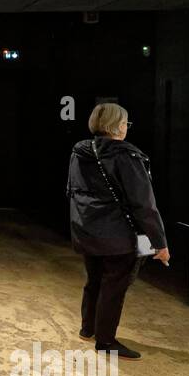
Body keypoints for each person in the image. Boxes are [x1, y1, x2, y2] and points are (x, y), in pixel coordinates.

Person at [67, 103, 170, 360]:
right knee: (114, 287)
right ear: (117, 126)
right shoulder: (126, 156)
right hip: (118, 235)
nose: (126, 128)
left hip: (86, 228)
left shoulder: (80, 151)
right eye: (125, 123)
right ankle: (106, 341)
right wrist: (160, 243)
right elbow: (144, 204)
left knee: (94, 280)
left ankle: (88, 328)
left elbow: (72, 190)